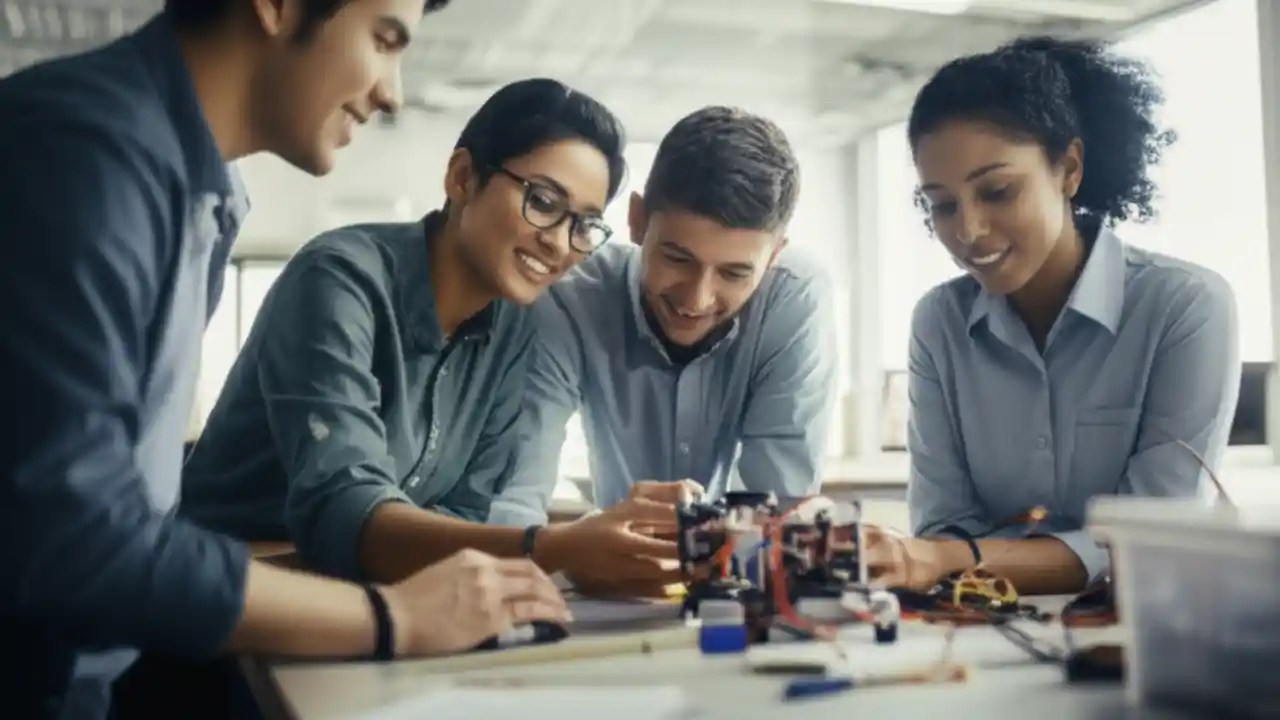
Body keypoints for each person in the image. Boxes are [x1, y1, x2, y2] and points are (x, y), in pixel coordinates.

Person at [0, 2, 571, 718]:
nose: (393, 89)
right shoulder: (86, 151)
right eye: (384, 38)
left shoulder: (199, 188)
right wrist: (394, 617)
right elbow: (77, 536)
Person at [181, 77, 683, 590]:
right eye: (543, 201)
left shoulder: (516, 327)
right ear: (463, 177)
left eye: (583, 225)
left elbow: (467, 511)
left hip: (362, 592)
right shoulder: (338, 280)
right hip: (219, 599)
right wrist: (550, 548)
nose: (558, 243)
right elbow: (341, 508)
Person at [864, 36, 1240, 596]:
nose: (968, 231)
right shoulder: (939, 324)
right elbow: (942, 521)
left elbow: (1152, 534)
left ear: (1068, 169)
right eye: (942, 205)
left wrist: (948, 556)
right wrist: (929, 554)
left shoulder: (1185, 307)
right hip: (980, 625)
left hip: (1141, 630)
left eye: (996, 191)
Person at [488, 106, 839, 597]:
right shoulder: (569, 296)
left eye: (735, 274)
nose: (696, 300)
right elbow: (512, 496)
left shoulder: (795, 297)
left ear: (775, 255)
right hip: (609, 591)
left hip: (725, 595)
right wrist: (553, 557)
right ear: (636, 221)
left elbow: (777, 511)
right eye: (677, 258)